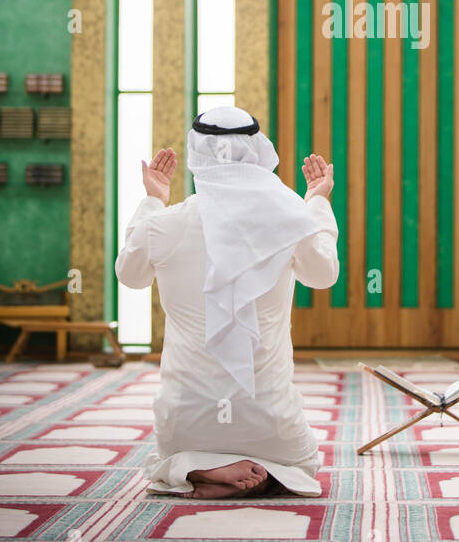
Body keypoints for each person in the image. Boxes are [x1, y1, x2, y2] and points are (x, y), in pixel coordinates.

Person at [114, 106, 339, 499]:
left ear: (196, 155)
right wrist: (316, 202)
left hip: (185, 420)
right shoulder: (288, 221)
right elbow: (324, 276)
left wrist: (153, 200)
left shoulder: (164, 224)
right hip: (270, 422)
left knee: (169, 452)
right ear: (257, 152)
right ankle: (268, 470)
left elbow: (128, 276)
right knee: (302, 463)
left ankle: (194, 466)